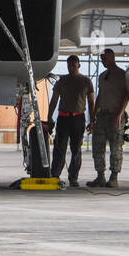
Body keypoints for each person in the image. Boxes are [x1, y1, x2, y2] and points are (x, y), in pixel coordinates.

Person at [45, 55, 94, 186]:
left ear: (79, 65)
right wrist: (49, 118)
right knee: (59, 148)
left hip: (78, 118)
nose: (71, 68)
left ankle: (73, 178)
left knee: (76, 149)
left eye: (73, 65)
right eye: (69, 65)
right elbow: (54, 101)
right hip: (63, 118)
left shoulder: (86, 81)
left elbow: (91, 102)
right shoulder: (62, 81)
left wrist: (92, 120)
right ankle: (55, 176)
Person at [89, 48, 129, 188]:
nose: (102, 61)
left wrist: (119, 114)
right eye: (101, 59)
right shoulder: (102, 76)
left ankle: (114, 177)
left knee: (116, 147)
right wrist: (93, 116)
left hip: (115, 115)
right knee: (98, 146)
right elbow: (100, 96)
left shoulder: (122, 75)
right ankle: (100, 176)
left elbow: (126, 95)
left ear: (112, 58)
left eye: (104, 58)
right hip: (102, 115)